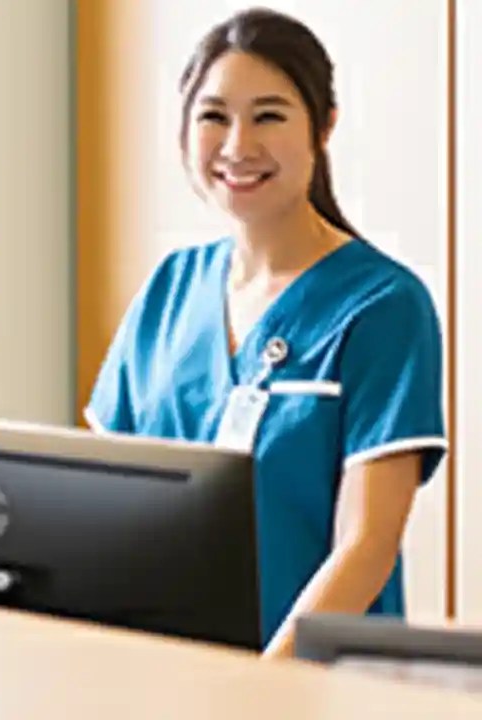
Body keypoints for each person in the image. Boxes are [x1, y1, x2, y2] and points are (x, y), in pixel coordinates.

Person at [83, 7, 447, 660]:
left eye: (269, 116)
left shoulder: (383, 306)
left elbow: (366, 543)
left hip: (318, 683)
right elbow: (103, 502)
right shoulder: (170, 289)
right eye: (213, 116)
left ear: (323, 127)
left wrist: (263, 687)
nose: (237, 146)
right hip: (170, 675)